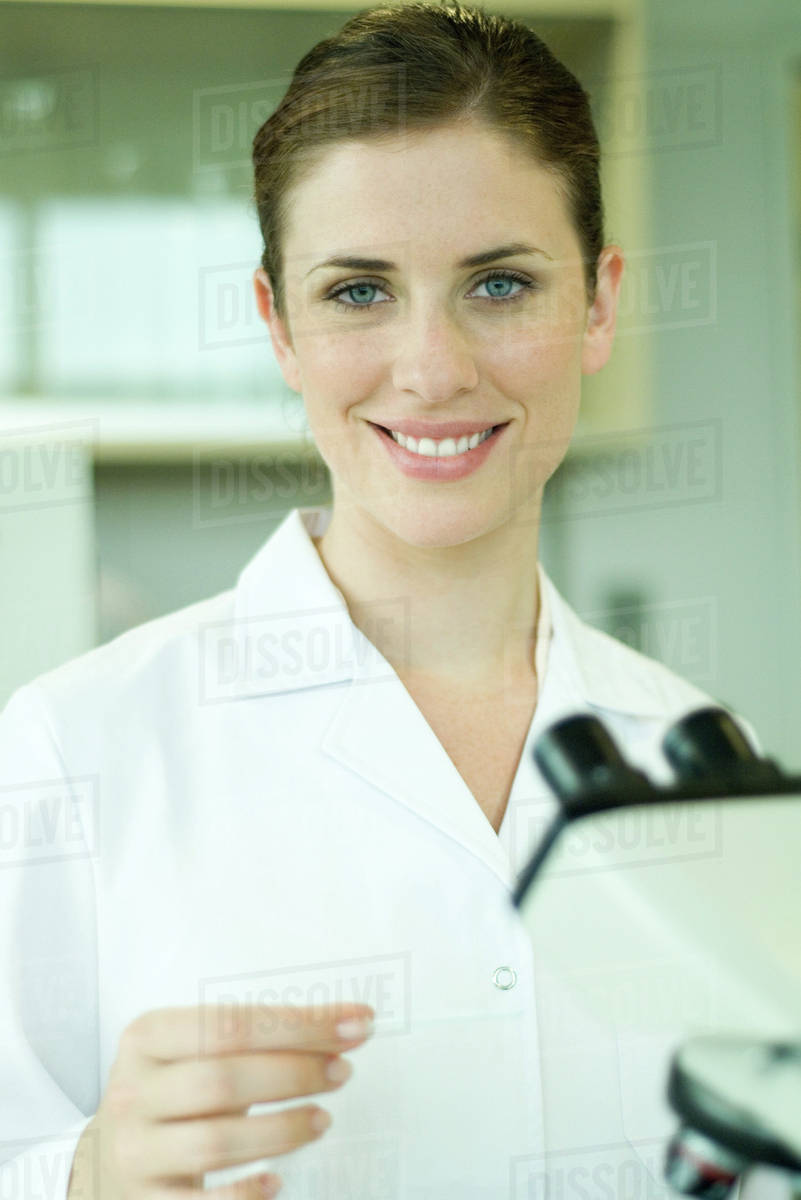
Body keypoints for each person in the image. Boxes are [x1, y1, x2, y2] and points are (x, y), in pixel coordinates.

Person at [0, 3, 759, 1198]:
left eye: (500, 283)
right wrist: (82, 1179)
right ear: (277, 325)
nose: (434, 367)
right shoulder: (66, 753)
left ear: (601, 304)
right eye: (359, 292)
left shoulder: (705, 760)